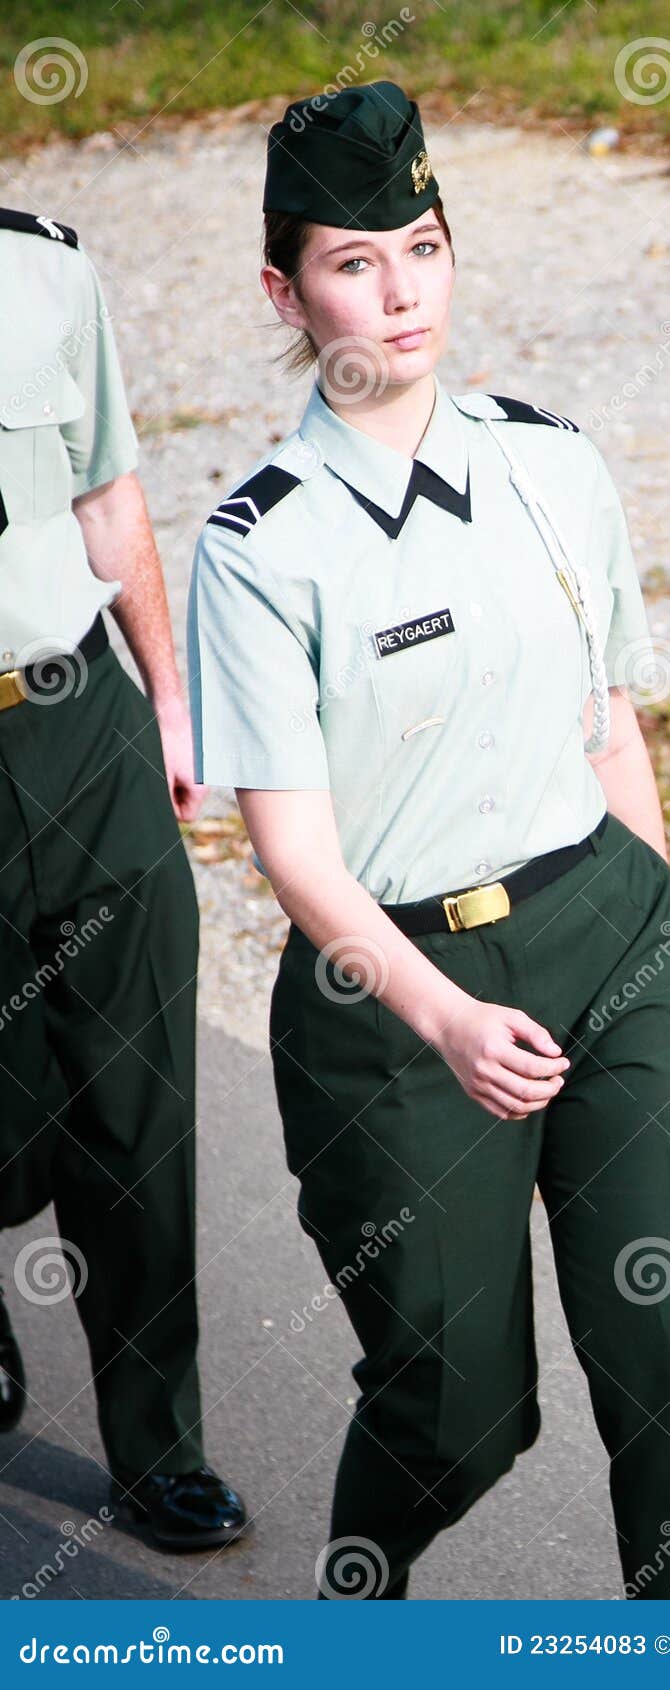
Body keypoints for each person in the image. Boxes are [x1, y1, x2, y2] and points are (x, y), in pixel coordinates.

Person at [186, 80, 670, 1600]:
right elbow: (295, 853)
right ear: (286, 290)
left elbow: (606, 719)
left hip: (610, 928)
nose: (401, 292)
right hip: (395, 992)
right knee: (457, 1403)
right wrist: (444, 1015)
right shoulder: (263, 544)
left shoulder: (551, 459)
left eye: (425, 247)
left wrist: (660, 921)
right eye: (354, 261)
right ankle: (359, 1614)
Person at [0, 207, 248, 1550]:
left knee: (136, 1103)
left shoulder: (43, 268)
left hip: (81, 716)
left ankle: (161, 1448)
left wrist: (167, 703)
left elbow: (107, 496)